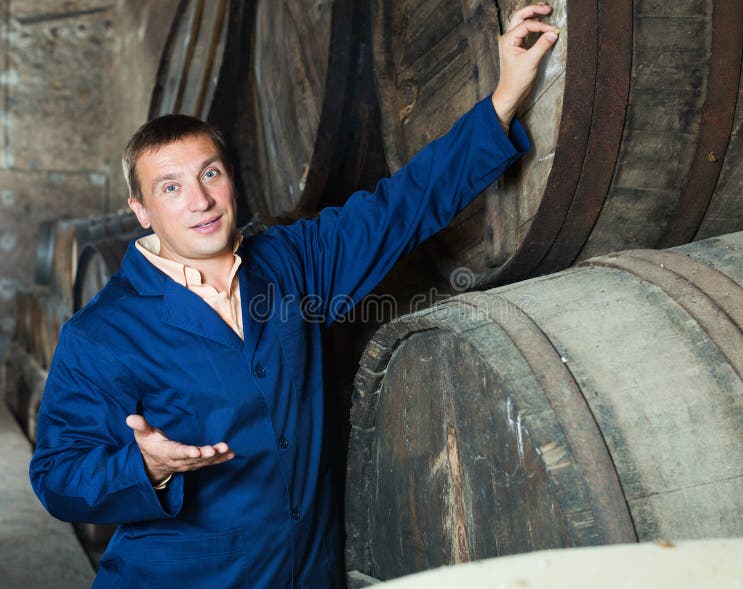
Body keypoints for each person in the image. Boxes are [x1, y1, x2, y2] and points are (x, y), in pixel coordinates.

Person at [29, 4, 558, 588]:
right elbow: (58, 477)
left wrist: (505, 95)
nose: (200, 201)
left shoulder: (292, 261)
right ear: (141, 212)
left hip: (307, 573)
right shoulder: (101, 333)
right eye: (170, 187)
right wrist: (146, 466)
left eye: (210, 174)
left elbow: (402, 207)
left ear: (232, 177)